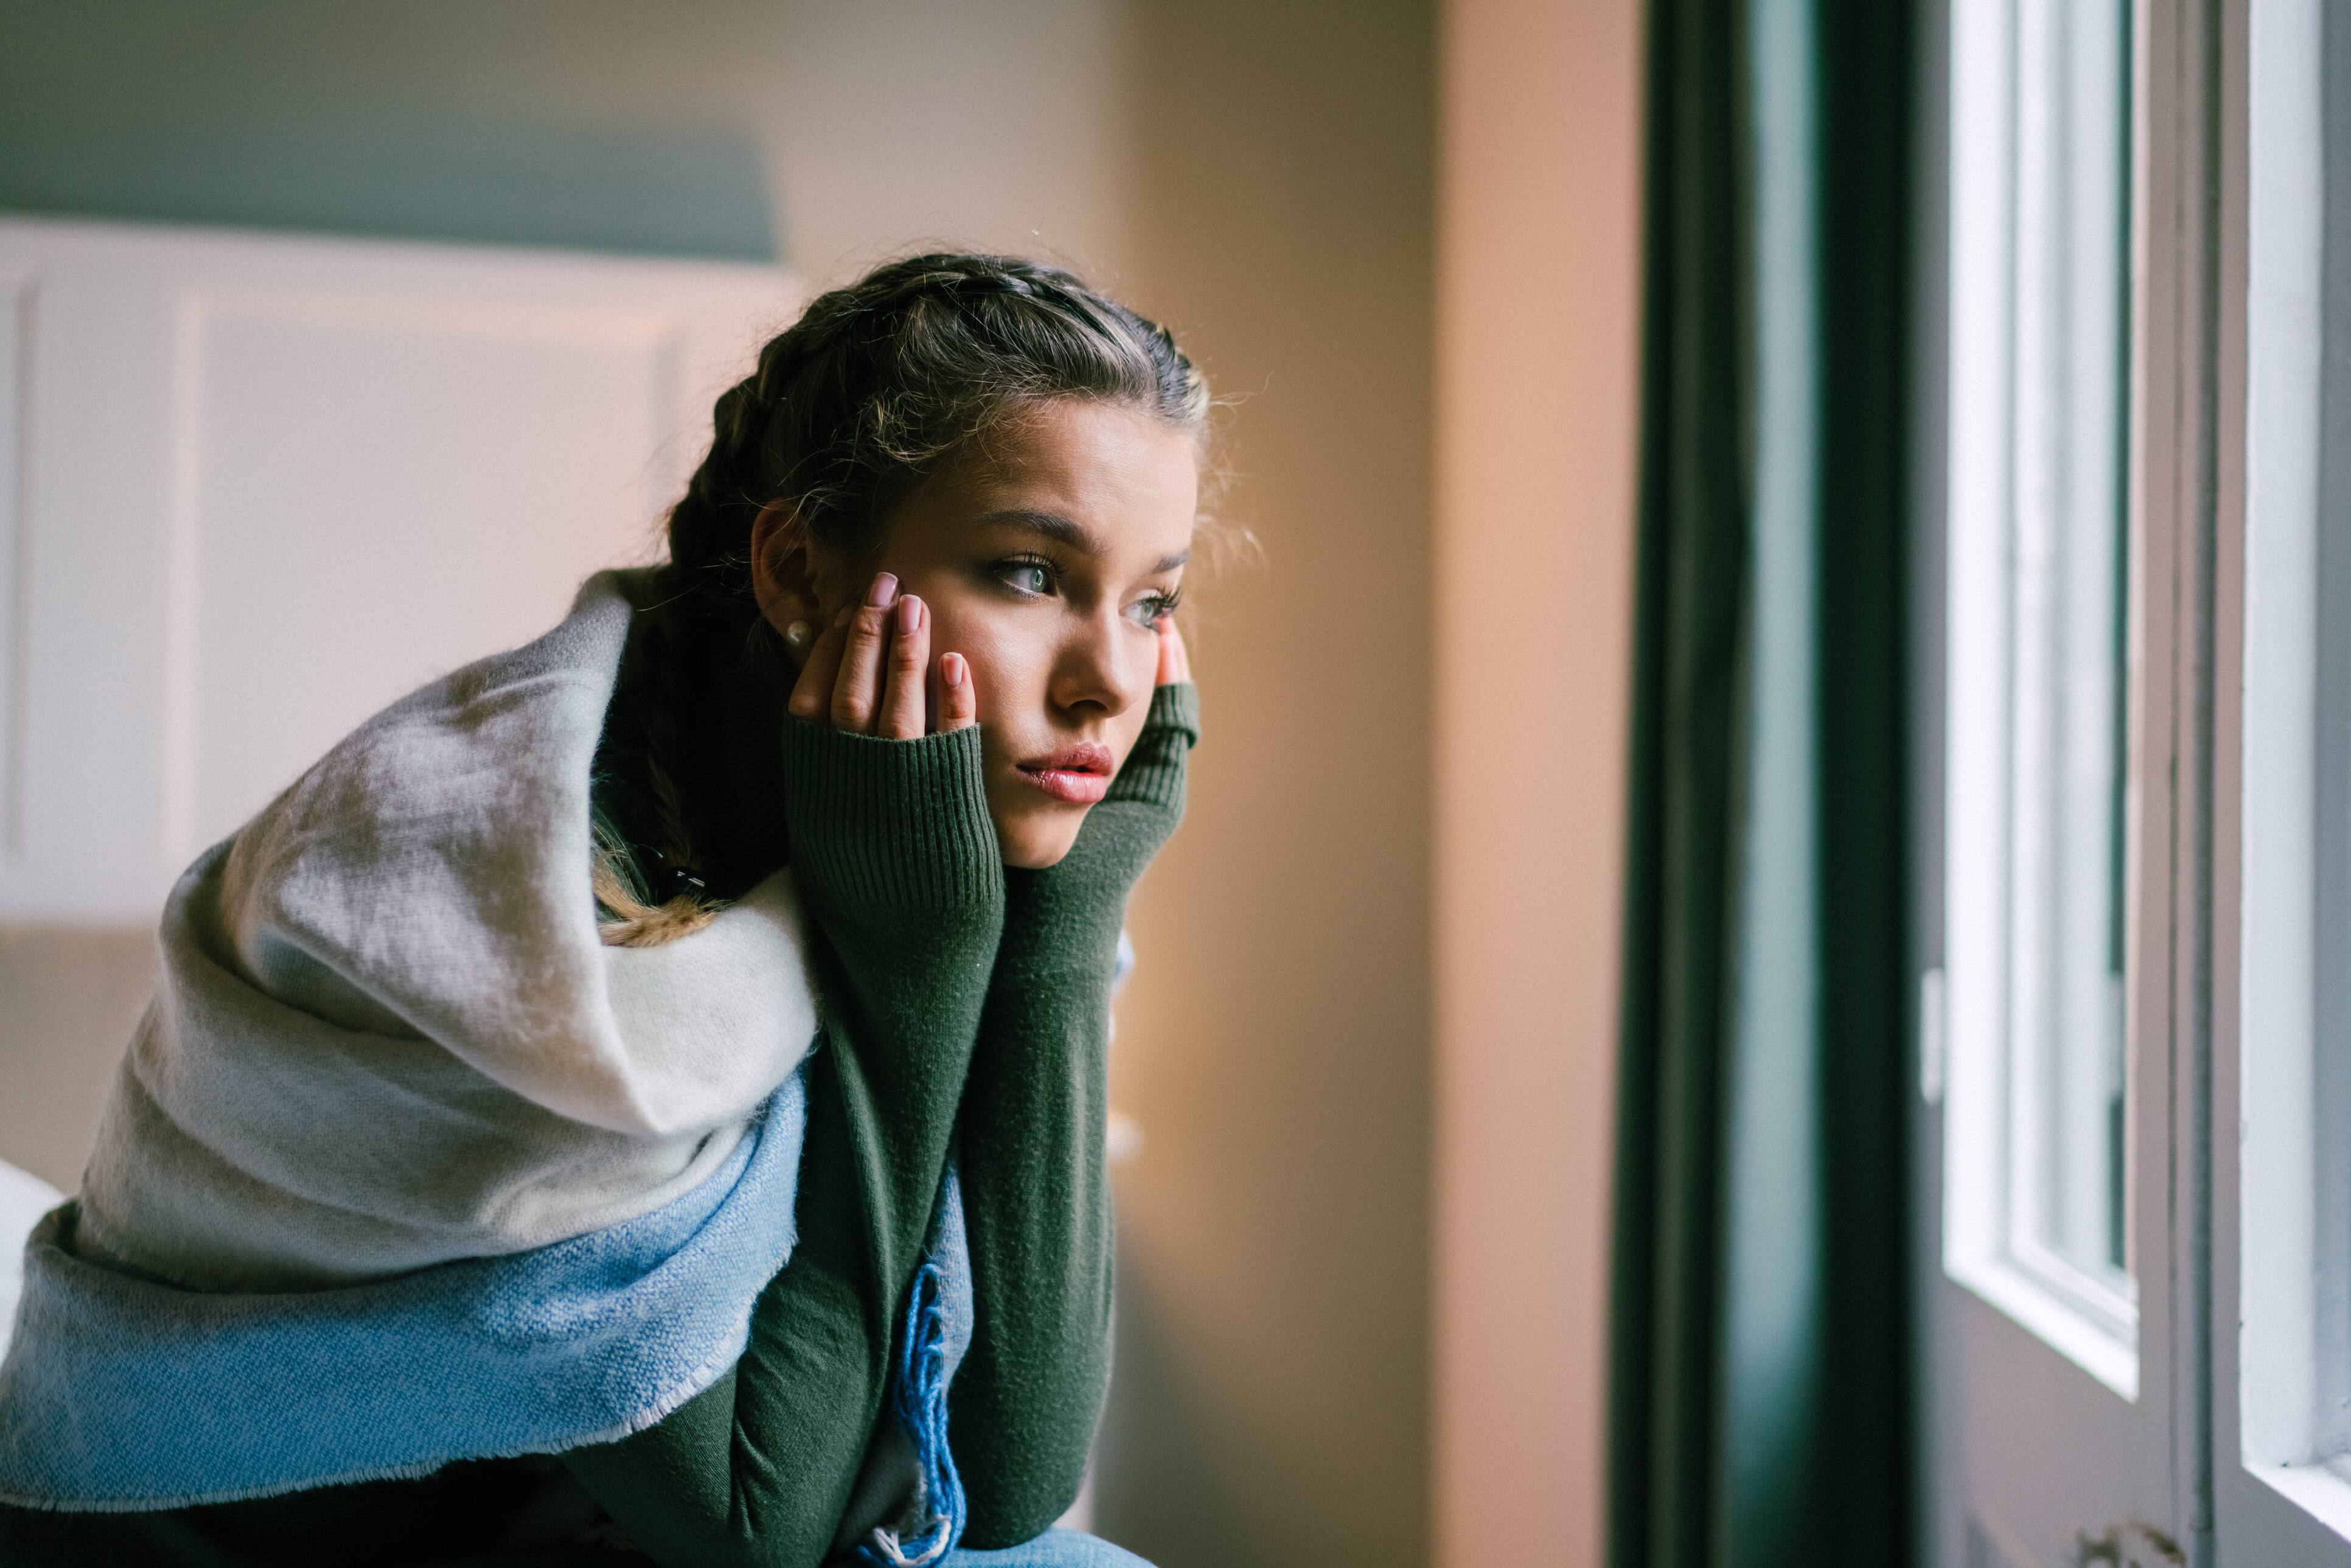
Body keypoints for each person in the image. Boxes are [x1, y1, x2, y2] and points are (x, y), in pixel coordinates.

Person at [0, 253, 1209, 1567]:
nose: (1110, 681)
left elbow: (1010, 1474)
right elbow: (753, 1529)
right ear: (798, 569)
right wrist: (911, 972)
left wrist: (1066, 924)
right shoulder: (501, 883)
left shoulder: (936, 846)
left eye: (1153, 601)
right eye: (1030, 572)